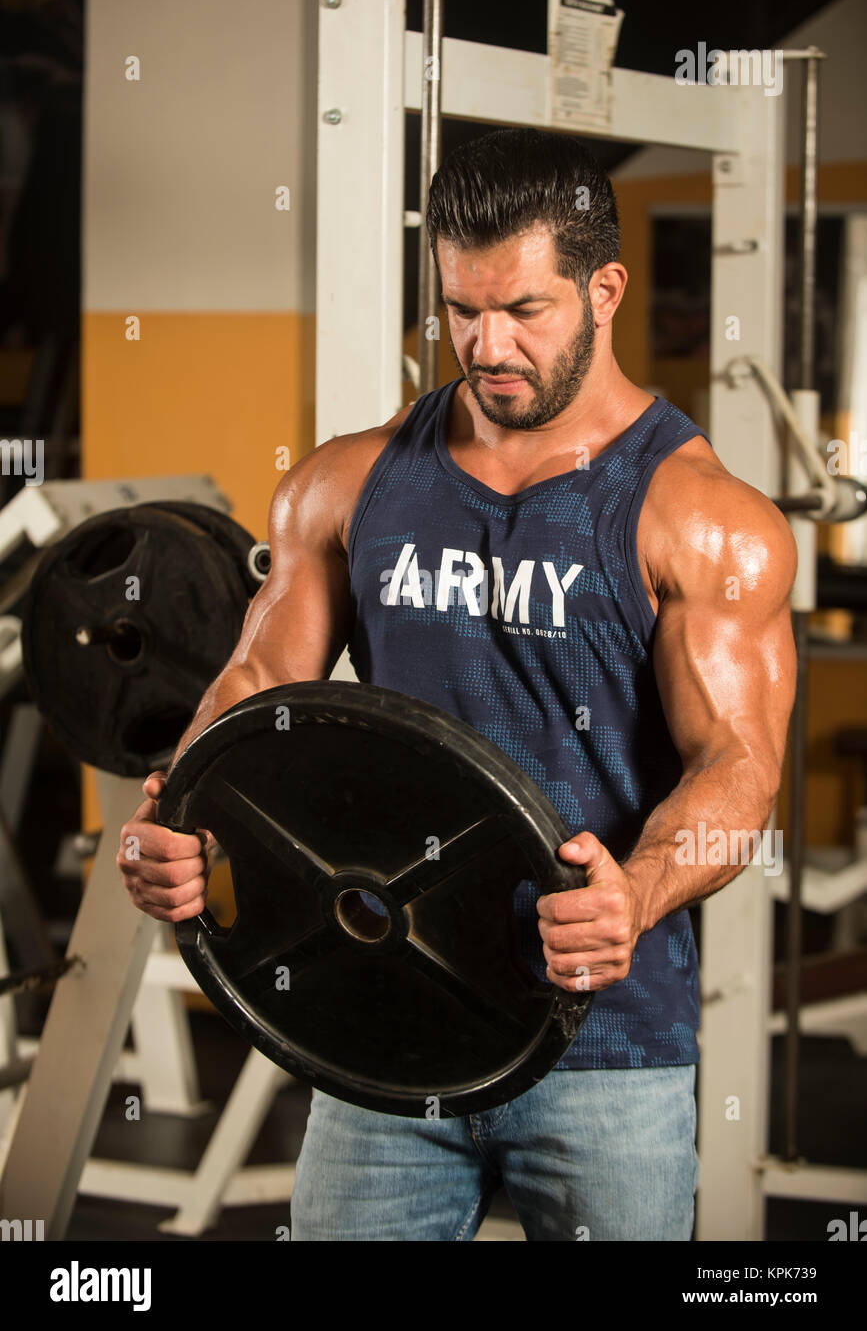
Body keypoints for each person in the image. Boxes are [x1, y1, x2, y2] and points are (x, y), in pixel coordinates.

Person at [117, 127, 797, 1241]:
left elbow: (742, 770)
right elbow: (258, 678)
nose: (486, 345)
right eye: (460, 309)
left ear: (605, 289)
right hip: (384, 1023)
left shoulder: (703, 520)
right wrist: (184, 815)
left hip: (602, 1045)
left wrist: (640, 889)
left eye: (524, 310)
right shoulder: (347, 483)